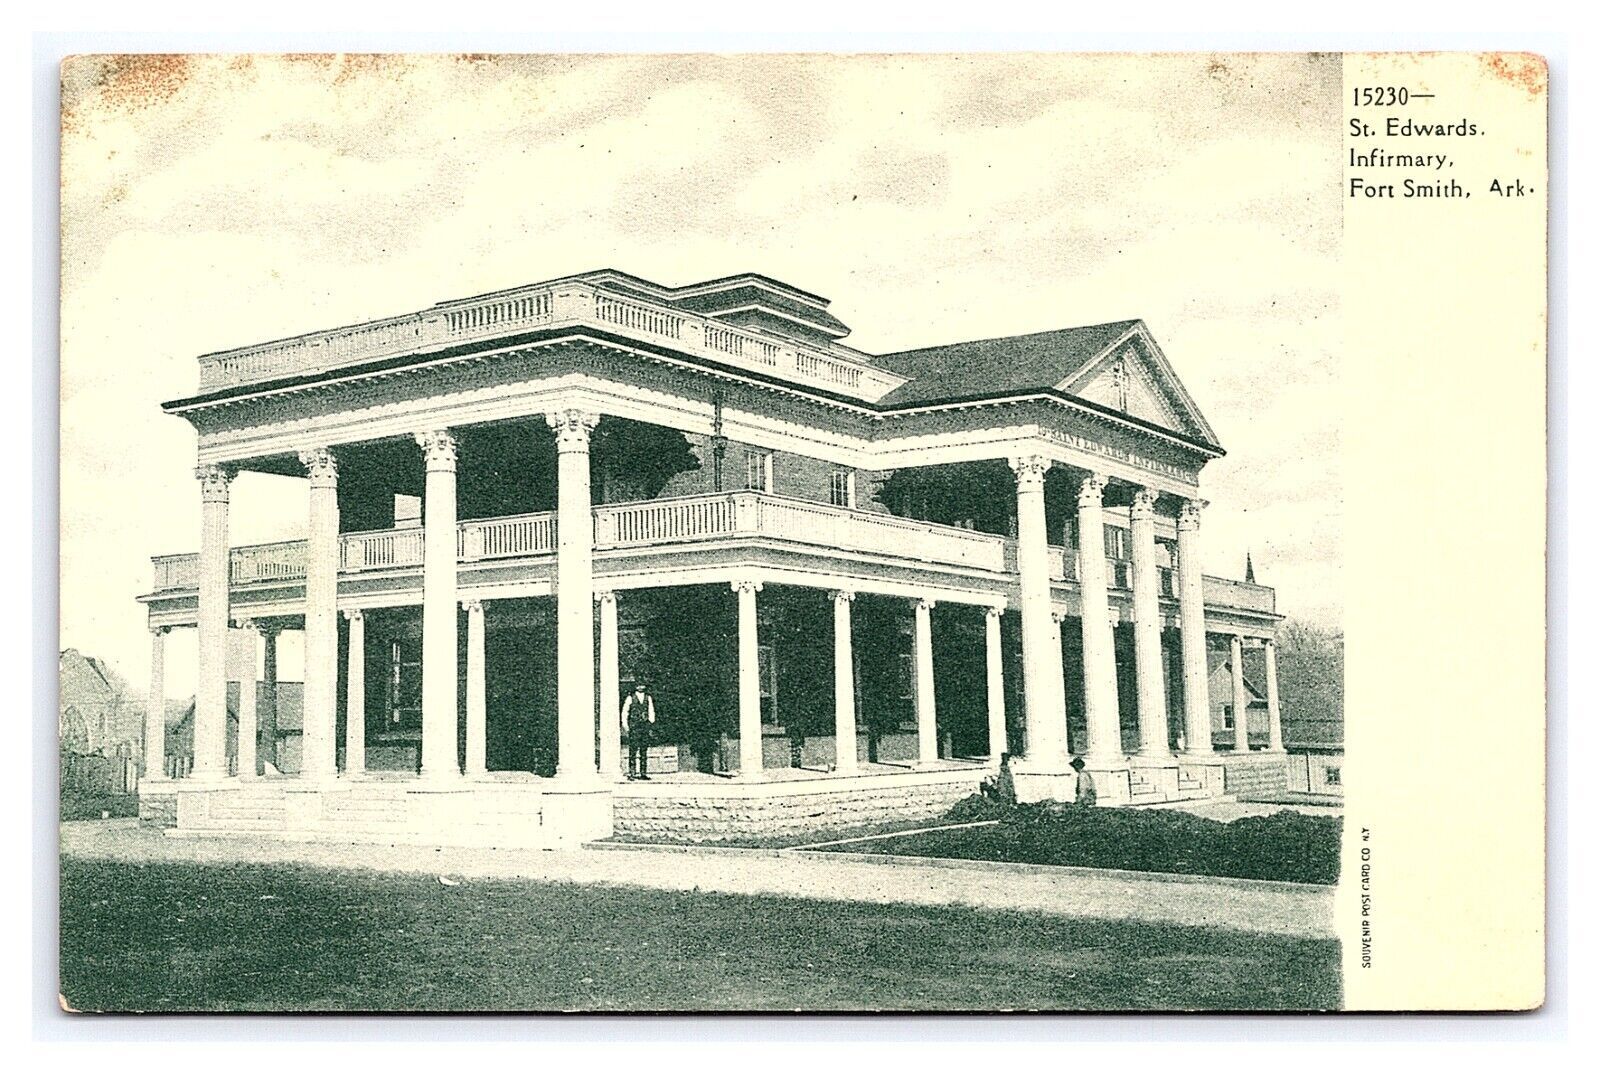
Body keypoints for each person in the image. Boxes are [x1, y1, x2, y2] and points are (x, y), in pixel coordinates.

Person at [621, 683, 657, 780]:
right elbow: (625, 711)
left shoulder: (648, 698)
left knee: (643, 750)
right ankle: (632, 772)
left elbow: (651, 710)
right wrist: (625, 724)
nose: (640, 687)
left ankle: (643, 773)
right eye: (638, 685)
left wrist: (650, 723)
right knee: (633, 750)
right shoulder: (630, 698)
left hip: (644, 726)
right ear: (636, 687)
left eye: (642, 685)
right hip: (634, 726)